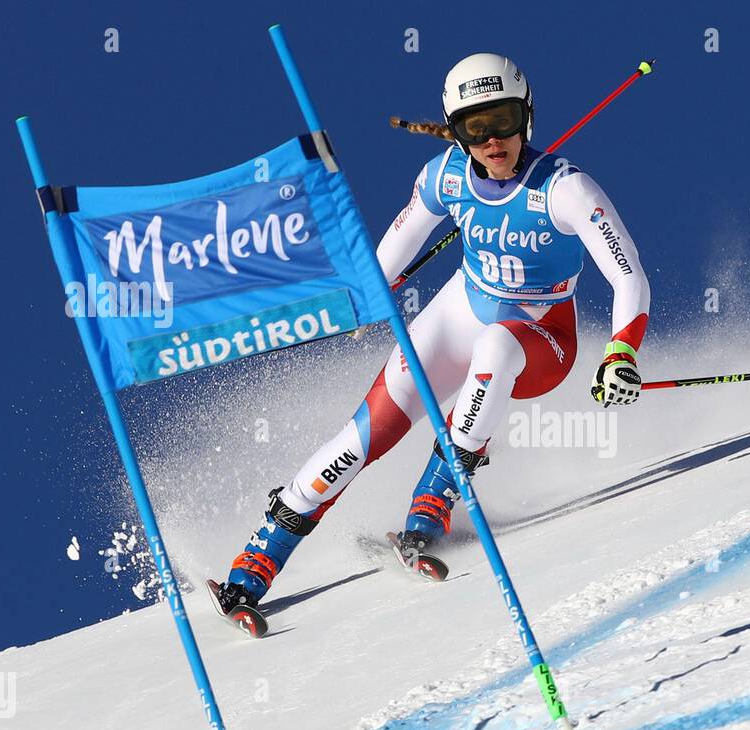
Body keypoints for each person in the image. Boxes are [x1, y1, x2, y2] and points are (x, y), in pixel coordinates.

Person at [213, 52, 651, 611]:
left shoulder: (566, 189)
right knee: (362, 437)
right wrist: (369, 296)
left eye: (504, 121)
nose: (493, 141)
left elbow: (628, 274)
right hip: (458, 313)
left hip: (540, 337)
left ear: (527, 116)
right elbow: (400, 241)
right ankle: (257, 562)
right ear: (456, 132)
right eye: (475, 127)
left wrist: (621, 352)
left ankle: (432, 504)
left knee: (496, 345)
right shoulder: (445, 176)